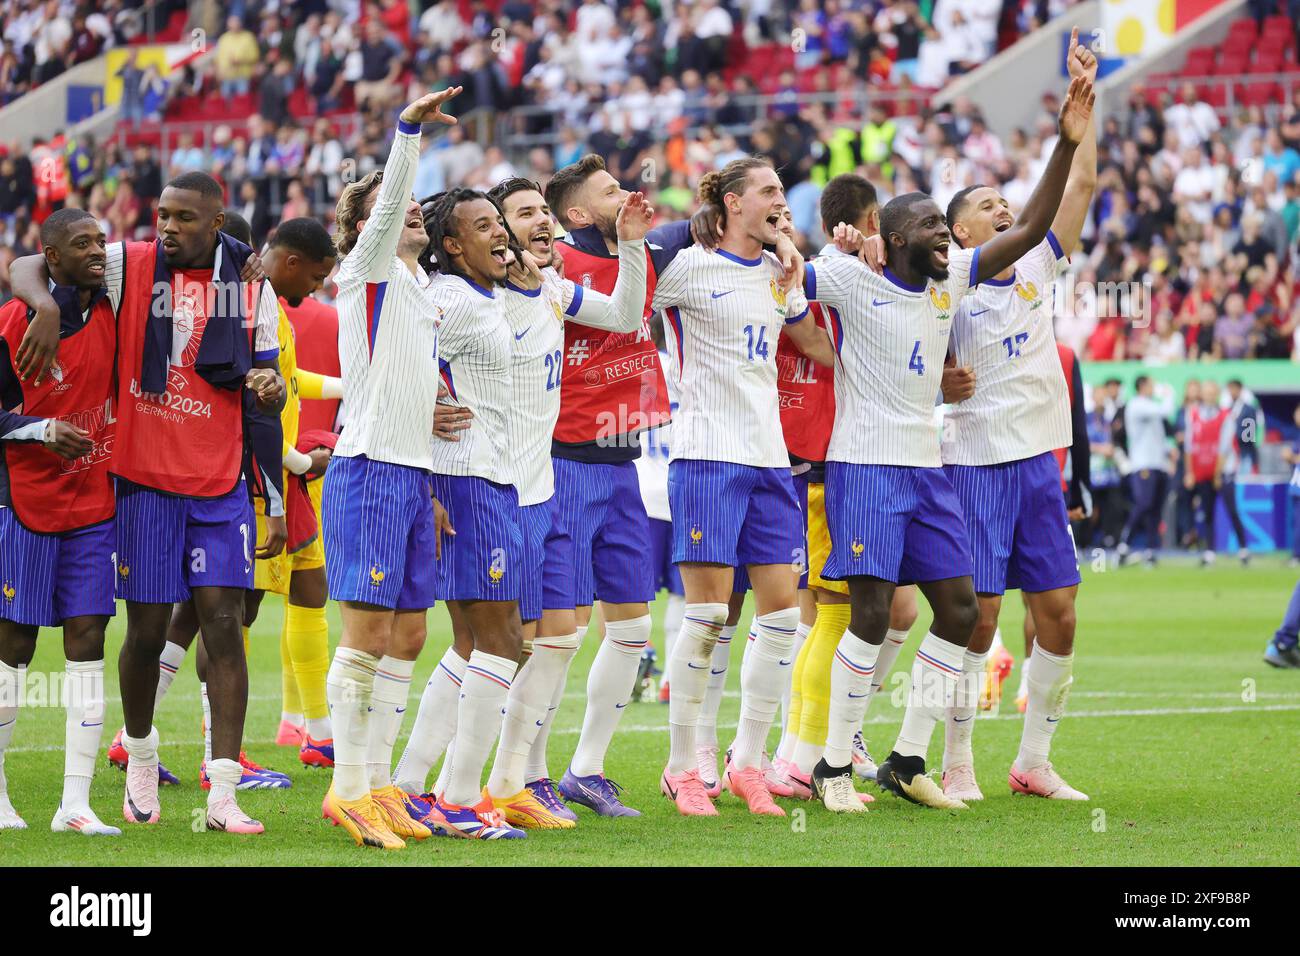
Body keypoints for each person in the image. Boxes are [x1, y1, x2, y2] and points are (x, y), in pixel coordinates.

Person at [800, 69, 1096, 811]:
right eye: (931, 225)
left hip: (925, 468)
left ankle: (905, 757)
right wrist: (826, 238)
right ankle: (832, 766)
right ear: (895, 239)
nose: (943, 234)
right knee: (871, 615)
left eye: (944, 223)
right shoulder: (847, 274)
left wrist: (1065, 139)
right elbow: (784, 283)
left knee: (960, 613)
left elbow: (1031, 228)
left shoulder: (951, 279)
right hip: (866, 466)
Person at [650, 156, 833, 818]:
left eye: (783, 190)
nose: (781, 199)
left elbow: (810, 342)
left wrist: (792, 259)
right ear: (731, 203)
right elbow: (626, 304)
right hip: (705, 457)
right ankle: (683, 768)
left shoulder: (777, 273)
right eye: (767, 191)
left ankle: (747, 764)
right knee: (706, 617)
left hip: (768, 462)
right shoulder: (685, 266)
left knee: (781, 618)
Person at [471, 178, 650, 829]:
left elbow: (627, 313)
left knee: (611, 633)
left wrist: (632, 246)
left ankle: (566, 773)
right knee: (535, 640)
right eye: (527, 213)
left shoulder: (559, 283)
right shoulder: (498, 289)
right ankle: (516, 778)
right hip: (543, 472)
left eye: (543, 212)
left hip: (613, 463)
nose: (541, 223)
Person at [517, 155, 691, 817]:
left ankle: (585, 769)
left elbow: (706, 225)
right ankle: (527, 769)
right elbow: (617, 318)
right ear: (578, 214)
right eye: (611, 190)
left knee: (632, 630)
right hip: (562, 466)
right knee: (557, 633)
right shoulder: (552, 270)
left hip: (624, 467)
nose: (630, 194)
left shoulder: (640, 252)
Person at [142, 215, 342, 784]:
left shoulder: (265, 307)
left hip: (263, 478)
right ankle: (218, 758)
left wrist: (348, 384)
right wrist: (302, 464)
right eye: (317, 276)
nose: (319, 289)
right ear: (291, 263)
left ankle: (133, 737)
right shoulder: (252, 306)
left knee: (203, 615)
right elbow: (252, 402)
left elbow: (288, 379)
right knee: (231, 614)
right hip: (257, 481)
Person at [318, 87, 460, 851]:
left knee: (407, 637)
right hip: (369, 470)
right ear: (367, 224)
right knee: (367, 634)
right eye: (392, 203)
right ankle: (346, 791)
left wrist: (433, 480)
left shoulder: (418, 289)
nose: (410, 209)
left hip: (410, 477)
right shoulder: (364, 272)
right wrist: (407, 132)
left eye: (411, 204)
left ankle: (377, 784)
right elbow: (389, 200)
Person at [0, 209, 119, 835]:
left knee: (88, 641)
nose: (99, 251)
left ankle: (76, 804)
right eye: (83, 244)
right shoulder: (12, 321)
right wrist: (42, 429)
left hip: (95, 503)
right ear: (52, 256)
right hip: (25, 501)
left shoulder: (113, 307)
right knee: (14, 645)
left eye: (101, 240)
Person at [1116, 376, 1175, 567]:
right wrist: (1169, 394)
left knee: (1155, 509)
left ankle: (1150, 551)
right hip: (1143, 464)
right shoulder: (1137, 404)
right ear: (1142, 386)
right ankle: (1123, 546)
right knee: (1143, 504)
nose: (1153, 388)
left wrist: (1168, 451)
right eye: (1151, 384)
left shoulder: (1149, 407)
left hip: (1158, 464)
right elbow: (1166, 410)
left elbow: (1157, 437)